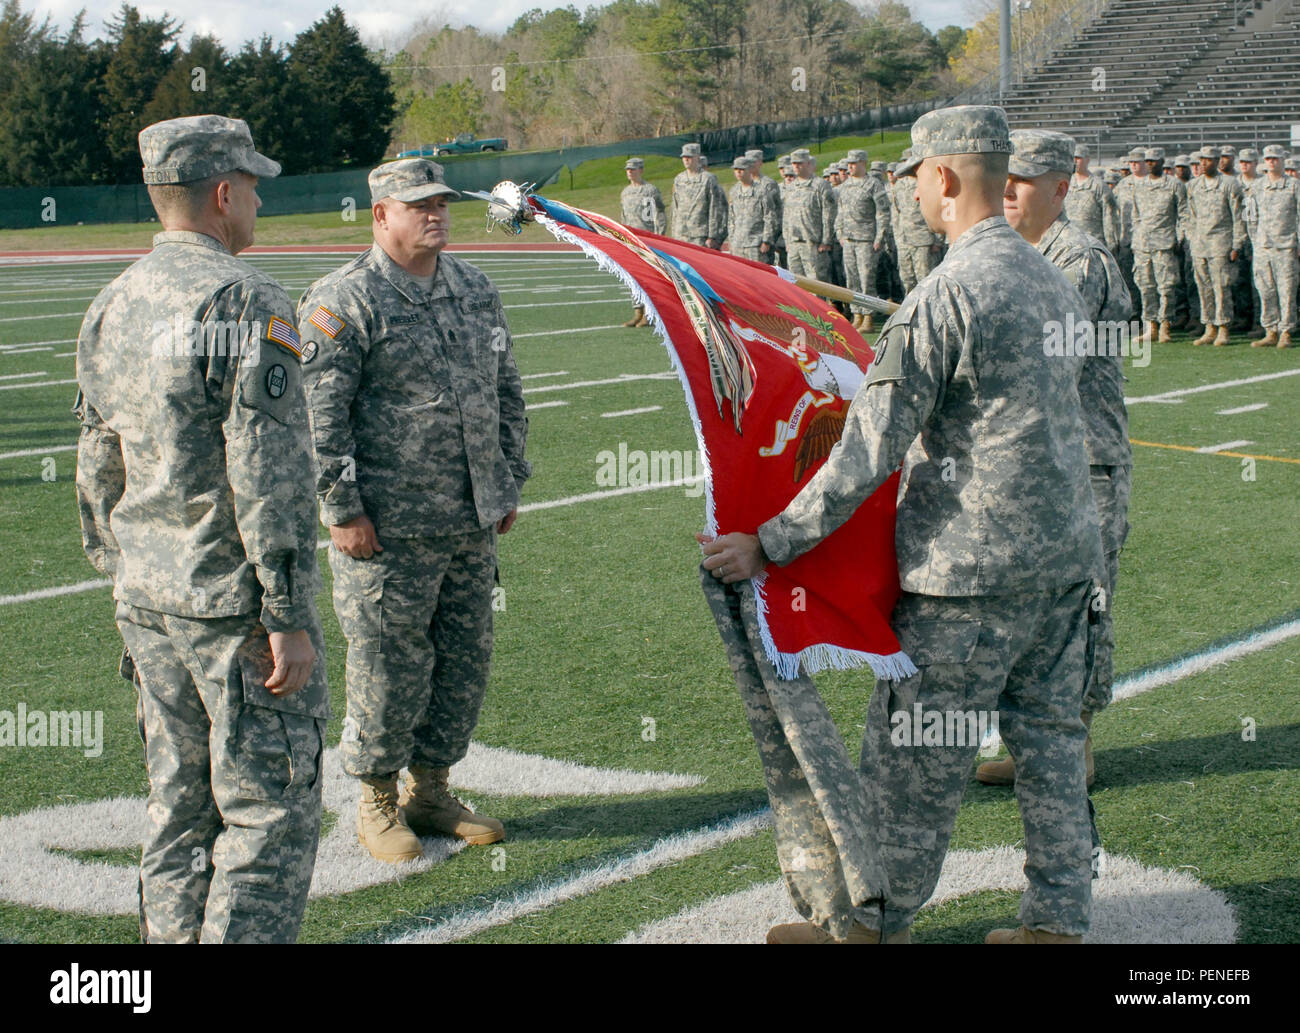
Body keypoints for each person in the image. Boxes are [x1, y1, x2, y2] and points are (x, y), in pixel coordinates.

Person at [702, 106, 1102, 945]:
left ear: (946, 178)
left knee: (913, 764)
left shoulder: (946, 293)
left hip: (970, 573)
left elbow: (865, 451)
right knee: (1054, 747)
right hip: (1066, 558)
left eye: (918, 174)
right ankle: (1058, 921)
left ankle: (868, 928)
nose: (915, 190)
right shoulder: (1052, 277)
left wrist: (769, 540)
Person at [74, 114, 327, 943]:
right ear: (224, 193)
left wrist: (119, 564)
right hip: (231, 607)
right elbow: (269, 467)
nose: (258, 198)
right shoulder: (245, 300)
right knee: (268, 813)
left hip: (147, 594)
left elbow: (96, 460)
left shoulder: (112, 303)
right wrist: (286, 608)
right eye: (252, 183)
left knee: (178, 806)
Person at [297, 158, 531, 863]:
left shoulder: (473, 287)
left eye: (440, 202)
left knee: (463, 659)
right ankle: (374, 796)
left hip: (467, 518)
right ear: (380, 215)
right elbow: (321, 418)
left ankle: (431, 788)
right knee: (387, 661)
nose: (435, 213)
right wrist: (342, 507)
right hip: (387, 530)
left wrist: (506, 478)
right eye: (417, 204)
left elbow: (505, 387)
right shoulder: (345, 300)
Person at [981, 129, 1132, 808]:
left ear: (1063, 186)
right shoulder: (1020, 254)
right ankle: (1034, 743)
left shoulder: (1079, 258)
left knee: (1083, 605)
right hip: (1039, 460)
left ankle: (1076, 743)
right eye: (1002, 179)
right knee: (1036, 611)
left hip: (1086, 463)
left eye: (1023, 181)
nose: (1007, 192)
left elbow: (1045, 358)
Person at [1185, 146, 1246, 347]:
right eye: (1202, 160)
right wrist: (1192, 238)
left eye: (1209, 160)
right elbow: (1191, 216)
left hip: (1221, 242)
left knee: (1222, 287)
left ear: (1217, 161)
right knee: (1204, 288)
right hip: (1200, 244)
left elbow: (1238, 217)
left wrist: (1237, 244)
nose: (1204, 163)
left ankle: (1223, 327)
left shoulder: (1229, 184)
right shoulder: (1194, 185)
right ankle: (1209, 326)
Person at [1131, 146, 1189, 343]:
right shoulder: (1139, 186)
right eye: (1147, 161)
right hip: (1142, 244)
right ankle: (1151, 326)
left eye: (1154, 161)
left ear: (1162, 162)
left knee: (1166, 287)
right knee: (1145, 286)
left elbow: (1183, 214)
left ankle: (1165, 325)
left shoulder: (1174, 185)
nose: (1150, 164)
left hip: (1164, 243)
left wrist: (1179, 238)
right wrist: (1136, 238)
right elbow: (1136, 216)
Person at [1249, 145, 1300, 348]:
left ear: (1283, 160)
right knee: (1265, 289)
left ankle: (1286, 330)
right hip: (1263, 246)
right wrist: (1255, 241)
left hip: (1286, 246)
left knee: (1286, 290)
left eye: (1276, 159)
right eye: (1269, 158)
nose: (1272, 162)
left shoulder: (1294, 185)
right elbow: (1251, 217)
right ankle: (1270, 330)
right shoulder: (1257, 186)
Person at [835, 148, 891, 330]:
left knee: (867, 279)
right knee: (852, 280)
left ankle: (869, 316)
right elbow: (840, 212)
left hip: (866, 239)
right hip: (849, 240)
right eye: (848, 164)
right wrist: (840, 233)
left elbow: (883, 213)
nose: (850, 167)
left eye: (853, 163)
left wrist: (879, 237)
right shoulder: (845, 186)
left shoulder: (873, 185)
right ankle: (857, 314)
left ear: (863, 163)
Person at [890, 148, 945, 296]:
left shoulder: (928, 183)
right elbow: (896, 214)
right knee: (907, 279)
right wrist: (898, 238)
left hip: (924, 240)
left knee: (925, 279)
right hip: (904, 240)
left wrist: (938, 240)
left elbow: (938, 211)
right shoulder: (899, 186)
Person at [620, 157, 665, 326]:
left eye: (633, 169)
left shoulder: (650, 190)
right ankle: (638, 311)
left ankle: (650, 312)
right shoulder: (625, 192)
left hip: (646, 239)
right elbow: (623, 217)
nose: (629, 171)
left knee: (649, 277)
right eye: (627, 169)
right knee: (633, 277)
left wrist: (658, 237)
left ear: (641, 170)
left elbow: (659, 214)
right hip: (630, 240)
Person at [782, 148, 836, 281]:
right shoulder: (791, 187)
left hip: (813, 243)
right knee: (795, 283)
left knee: (816, 283)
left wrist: (826, 241)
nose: (796, 166)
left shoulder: (820, 185)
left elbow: (829, 215)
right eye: (794, 163)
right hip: (794, 243)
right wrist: (787, 240)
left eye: (799, 163)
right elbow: (786, 215)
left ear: (808, 163)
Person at [1064, 143, 1119, 250]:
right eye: (1073, 158)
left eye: (1078, 158)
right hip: (1070, 242)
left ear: (1087, 160)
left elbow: (1109, 218)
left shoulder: (1098, 186)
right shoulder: (1067, 183)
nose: (1075, 161)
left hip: (1093, 243)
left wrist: (1111, 245)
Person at [671, 143, 725, 248]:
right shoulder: (679, 179)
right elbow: (675, 207)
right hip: (681, 233)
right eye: (684, 157)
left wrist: (712, 236)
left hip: (700, 234)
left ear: (697, 158)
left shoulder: (708, 179)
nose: (686, 160)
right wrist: (674, 233)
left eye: (689, 157)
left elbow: (715, 209)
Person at [727, 155, 777, 263]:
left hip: (756, 244)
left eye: (742, 169)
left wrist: (766, 241)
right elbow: (731, 218)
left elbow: (769, 217)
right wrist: (731, 240)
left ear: (749, 170)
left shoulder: (761, 191)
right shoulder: (734, 191)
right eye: (736, 169)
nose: (738, 172)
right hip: (738, 244)